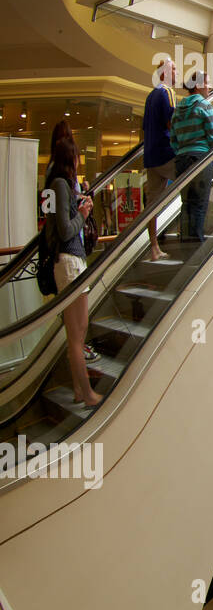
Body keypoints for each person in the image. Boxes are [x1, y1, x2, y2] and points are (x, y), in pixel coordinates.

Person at [43, 127, 101, 406]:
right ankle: (87, 392)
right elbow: (66, 230)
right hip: (69, 261)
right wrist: (82, 214)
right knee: (77, 334)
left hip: (70, 262)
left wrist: (79, 206)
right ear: (72, 158)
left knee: (76, 332)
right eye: (77, 155)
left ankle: (80, 391)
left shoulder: (58, 186)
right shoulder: (60, 185)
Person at [170, 70, 213, 242]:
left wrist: (182, 152)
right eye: (207, 83)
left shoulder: (178, 109)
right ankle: (196, 246)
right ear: (199, 86)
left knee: (186, 205)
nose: (209, 87)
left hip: (181, 161)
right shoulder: (204, 105)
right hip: (200, 159)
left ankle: (185, 244)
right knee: (200, 205)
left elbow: (173, 140)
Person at [143, 56, 177, 261]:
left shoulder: (150, 96)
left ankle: (154, 247)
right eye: (174, 70)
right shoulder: (167, 93)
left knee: (152, 205)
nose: (177, 74)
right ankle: (189, 232)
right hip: (166, 154)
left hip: (151, 156)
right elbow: (172, 125)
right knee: (193, 179)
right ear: (164, 73)